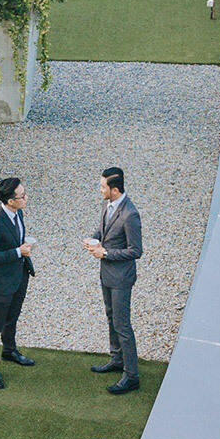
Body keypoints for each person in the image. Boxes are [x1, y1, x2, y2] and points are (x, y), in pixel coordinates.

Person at [84, 167, 143, 395]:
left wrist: (106, 254)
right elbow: (102, 230)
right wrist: (93, 239)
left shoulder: (130, 215)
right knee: (111, 317)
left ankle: (132, 376)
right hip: (106, 274)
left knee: (122, 324)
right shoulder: (106, 204)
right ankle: (116, 359)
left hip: (121, 278)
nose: (100, 190)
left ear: (115, 189)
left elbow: (136, 250)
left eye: (102, 187)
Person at [0, 176, 36, 389]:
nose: (26, 198)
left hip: (20, 275)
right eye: (22, 196)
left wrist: (21, 247)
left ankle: (10, 350)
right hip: (1, 282)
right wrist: (17, 251)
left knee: (12, 317)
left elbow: (15, 239)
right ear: (10, 201)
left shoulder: (18, 212)